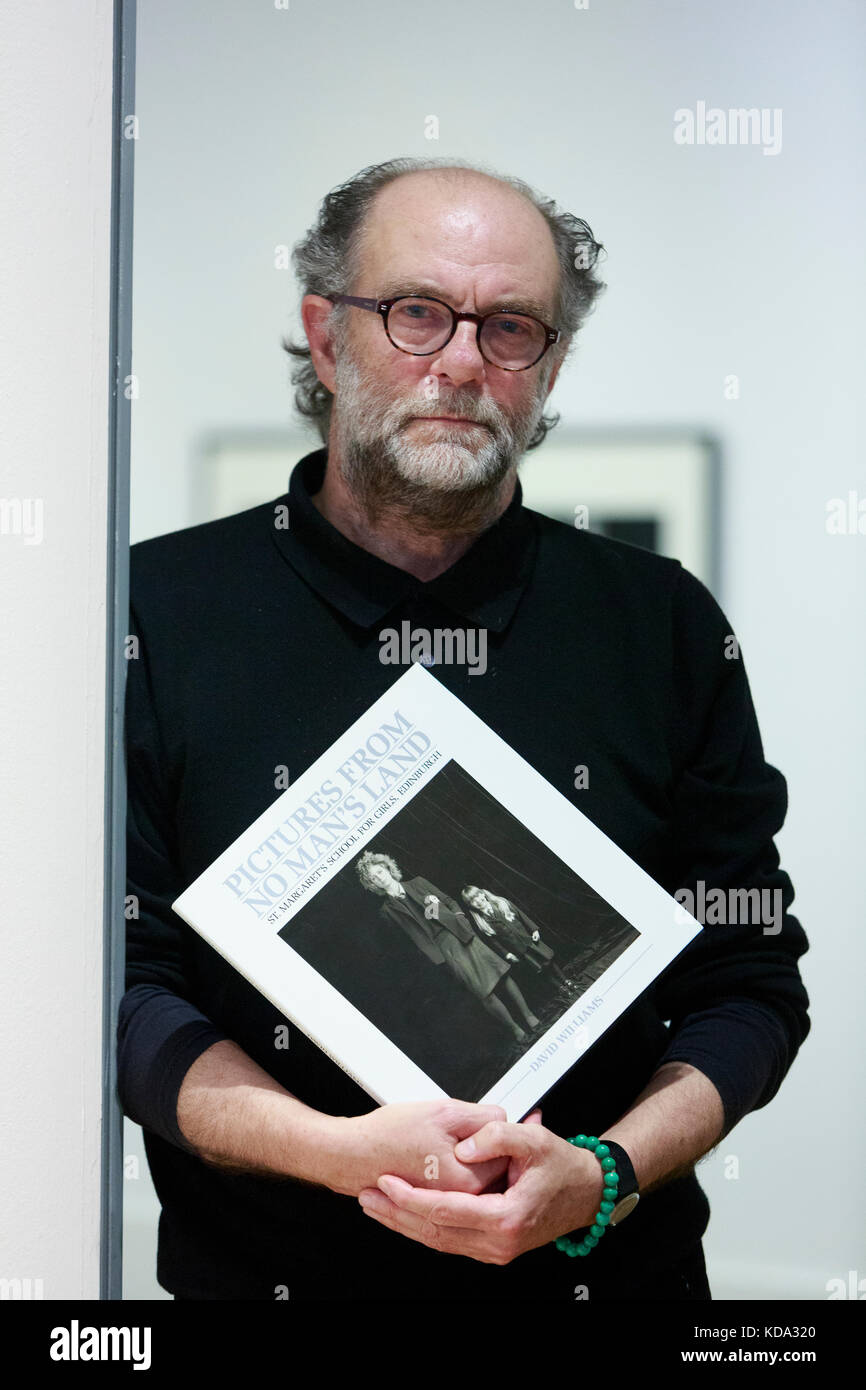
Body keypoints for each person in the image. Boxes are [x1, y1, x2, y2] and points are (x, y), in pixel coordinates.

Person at [118, 156, 810, 1301]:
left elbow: (749, 983)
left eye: (509, 328)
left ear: (549, 365)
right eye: (415, 312)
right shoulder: (150, 615)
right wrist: (333, 1153)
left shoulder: (661, 625)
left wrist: (601, 1171)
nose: (459, 362)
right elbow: (119, 990)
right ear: (325, 335)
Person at [356, 851, 541, 1042]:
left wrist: (461, 920)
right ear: (372, 884)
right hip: (443, 950)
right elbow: (406, 942)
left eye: (379, 871)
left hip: (458, 934)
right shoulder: (386, 911)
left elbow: (449, 902)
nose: (379, 877)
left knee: (501, 974)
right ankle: (516, 1030)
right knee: (482, 991)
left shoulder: (418, 883)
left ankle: (528, 1016)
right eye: (373, 877)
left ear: (387, 867)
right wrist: (430, 956)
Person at [461, 883, 571, 989]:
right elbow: (493, 942)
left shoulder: (501, 903)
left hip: (529, 939)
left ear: (482, 893)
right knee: (540, 968)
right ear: (470, 905)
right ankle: (560, 988)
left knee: (549, 960)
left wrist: (534, 930)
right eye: (472, 901)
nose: (477, 900)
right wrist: (507, 954)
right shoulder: (482, 922)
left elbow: (521, 915)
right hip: (518, 949)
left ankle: (566, 981)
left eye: (477, 895)